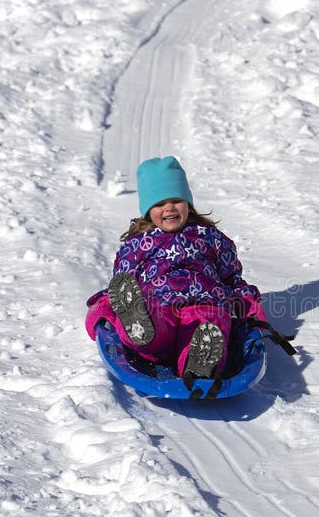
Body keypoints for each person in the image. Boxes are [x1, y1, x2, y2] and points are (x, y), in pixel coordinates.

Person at [85, 155, 268, 388]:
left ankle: (200, 361)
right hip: (159, 304)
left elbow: (231, 277)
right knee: (154, 324)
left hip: (206, 302)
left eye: (176, 200)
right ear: (148, 210)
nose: (169, 208)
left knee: (209, 325)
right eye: (159, 204)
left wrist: (248, 304)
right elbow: (123, 284)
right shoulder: (137, 245)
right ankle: (140, 327)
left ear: (187, 203)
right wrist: (108, 307)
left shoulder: (210, 237)